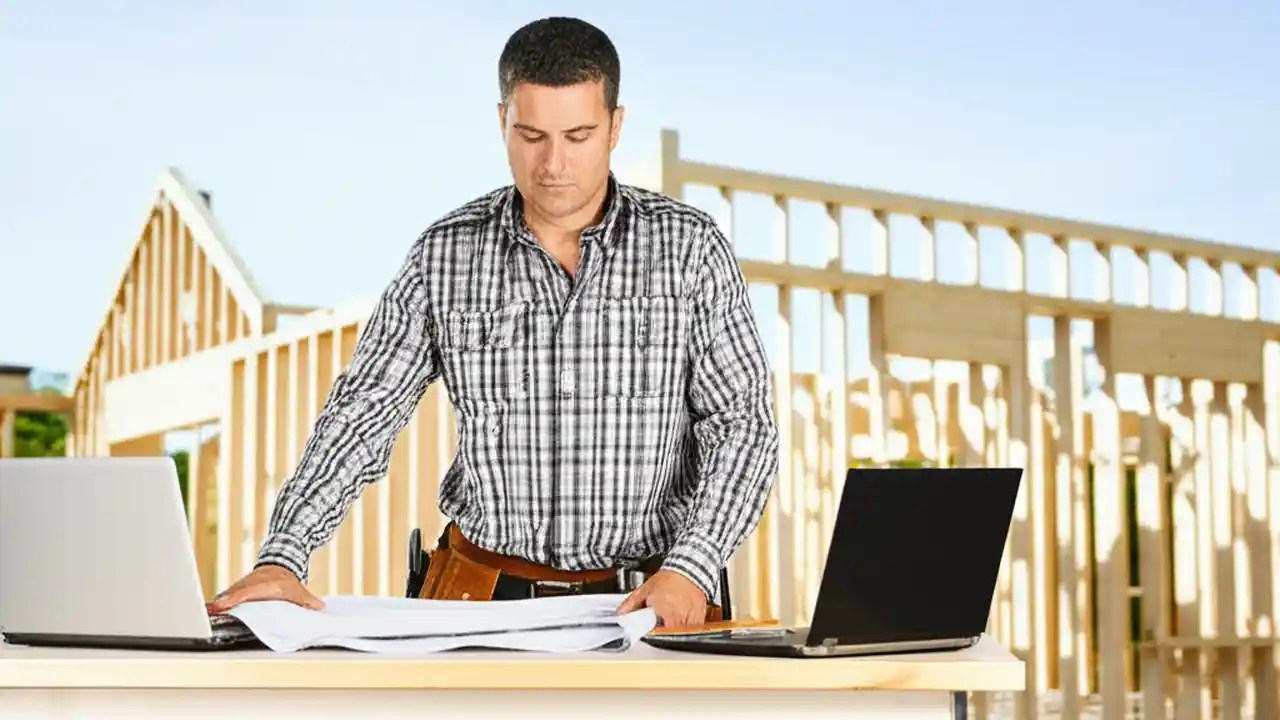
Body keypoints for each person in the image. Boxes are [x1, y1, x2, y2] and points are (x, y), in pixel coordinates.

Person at [205, 16, 779, 629]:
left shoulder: (689, 249)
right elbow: (362, 414)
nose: (553, 163)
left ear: (615, 127)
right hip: (475, 602)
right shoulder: (444, 255)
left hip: (654, 604)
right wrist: (284, 553)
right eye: (530, 134)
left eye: (578, 134)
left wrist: (693, 564)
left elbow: (743, 423)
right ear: (501, 121)